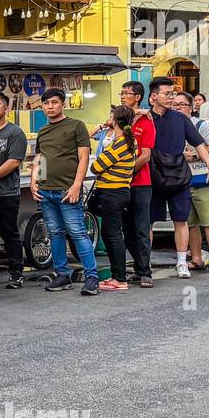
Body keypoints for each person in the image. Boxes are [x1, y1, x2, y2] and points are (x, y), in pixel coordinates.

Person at [147, 77, 209, 278]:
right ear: (153, 97)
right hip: (152, 174)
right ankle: (145, 263)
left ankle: (182, 262)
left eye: (173, 93)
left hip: (179, 174)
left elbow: (199, 144)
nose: (172, 98)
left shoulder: (181, 119)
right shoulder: (145, 119)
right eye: (168, 94)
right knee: (148, 221)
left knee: (181, 220)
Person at [30, 88, 99, 295]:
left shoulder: (76, 126)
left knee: (78, 232)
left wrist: (77, 184)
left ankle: (92, 277)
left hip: (68, 190)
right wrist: (34, 182)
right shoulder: (42, 131)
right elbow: (40, 159)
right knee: (55, 233)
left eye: (54, 102)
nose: (50, 107)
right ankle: (62, 275)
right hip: (46, 191)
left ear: (62, 104)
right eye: (46, 103)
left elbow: (84, 158)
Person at [170, 91, 209, 273]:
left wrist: (195, 155)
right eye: (174, 105)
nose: (177, 108)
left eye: (181, 105)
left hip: (202, 178)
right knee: (189, 222)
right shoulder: (171, 124)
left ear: (191, 107)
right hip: (182, 180)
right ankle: (196, 258)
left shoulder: (199, 124)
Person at [89, 104, 137, 290]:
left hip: (113, 192)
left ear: (115, 120)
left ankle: (120, 278)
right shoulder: (126, 140)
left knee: (113, 235)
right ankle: (116, 275)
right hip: (116, 191)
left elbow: (96, 167)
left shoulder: (121, 143)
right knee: (110, 234)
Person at [0, 91, 28, 289]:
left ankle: (16, 273)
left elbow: (14, 161)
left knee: (9, 232)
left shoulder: (14, 132)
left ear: (6, 109)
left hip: (6, 192)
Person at [118, 80, 155, 288]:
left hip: (141, 183)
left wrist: (127, 170)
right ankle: (136, 267)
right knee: (126, 228)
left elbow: (146, 155)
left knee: (142, 228)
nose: (123, 96)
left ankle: (145, 272)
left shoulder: (146, 122)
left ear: (138, 96)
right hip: (119, 185)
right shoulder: (119, 119)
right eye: (121, 92)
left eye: (127, 93)